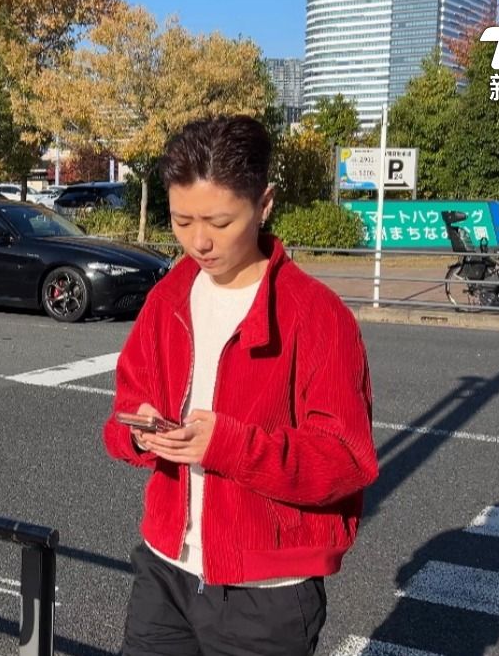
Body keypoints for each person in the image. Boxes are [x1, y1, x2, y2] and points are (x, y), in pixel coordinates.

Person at [103, 115, 378, 656]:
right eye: (182, 222)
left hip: (267, 593)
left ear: (265, 203)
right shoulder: (168, 299)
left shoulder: (316, 316)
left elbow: (347, 460)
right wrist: (140, 435)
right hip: (166, 567)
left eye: (220, 221)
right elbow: (119, 419)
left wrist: (227, 444)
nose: (199, 242)